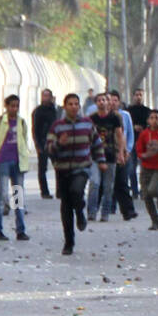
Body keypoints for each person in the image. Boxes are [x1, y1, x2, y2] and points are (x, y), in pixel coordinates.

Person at [46, 92, 103, 255]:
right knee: (65, 207)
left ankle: (80, 211)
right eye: (70, 104)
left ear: (79, 106)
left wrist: (101, 160)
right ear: (65, 107)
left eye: (76, 104)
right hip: (63, 170)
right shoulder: (57, 126)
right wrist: (58, 143)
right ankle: (69, 242)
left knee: (76, 191)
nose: (73, 107)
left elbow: (97, 143)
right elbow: (48, 148)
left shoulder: (87, 124)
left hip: (82, 166)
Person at [0, 94, 32, 242]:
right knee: (2, 196)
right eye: (11, 106)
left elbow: (24, 141)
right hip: (3, 162)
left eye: (16, 106)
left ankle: (20, 230)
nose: (14, 108)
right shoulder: (0, 122)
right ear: (6, 106)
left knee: (18, 196)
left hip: (18, 162)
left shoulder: (21, 122)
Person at [90, 93, 137, 222]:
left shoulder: (120, 116)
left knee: (117, 184)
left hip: (115, 154)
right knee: (96, 184)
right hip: (98, 155)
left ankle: (123, 211)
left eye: (112, 100)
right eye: (100, 100)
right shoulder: (93, 118)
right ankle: (93, 211)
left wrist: (124, 151)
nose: (108, 103)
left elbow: (124, 135)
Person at [31, 89, 59, 199]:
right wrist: (37, 144)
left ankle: (60, 190)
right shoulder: (38, 111)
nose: (46, 98)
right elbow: (35, 129)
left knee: (59, 167)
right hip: (43, 142)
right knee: (42, 169)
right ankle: (44, 191)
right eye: (44, 95)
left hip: (55, 142)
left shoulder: (55, 110)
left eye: (48, 95)